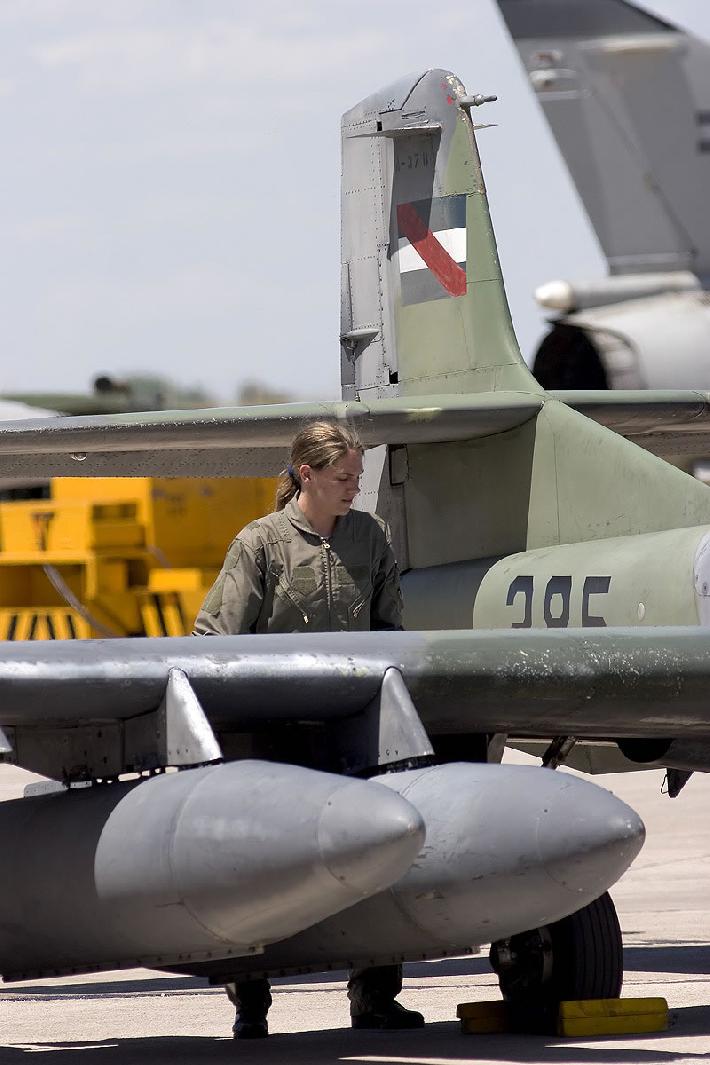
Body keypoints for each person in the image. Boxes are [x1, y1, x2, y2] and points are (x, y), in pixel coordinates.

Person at [194, 420, 424, 1039]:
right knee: (255, 867)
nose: (354, 487)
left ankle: (375, 995)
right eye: (343, 477)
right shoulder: (260, 543)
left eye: (356, 477)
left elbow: (390, 635)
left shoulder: (370, 539)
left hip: (348, 729)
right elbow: (215, 639)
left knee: (378, 852)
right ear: (307, 475)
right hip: (268, 734)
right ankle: (252, 1000)